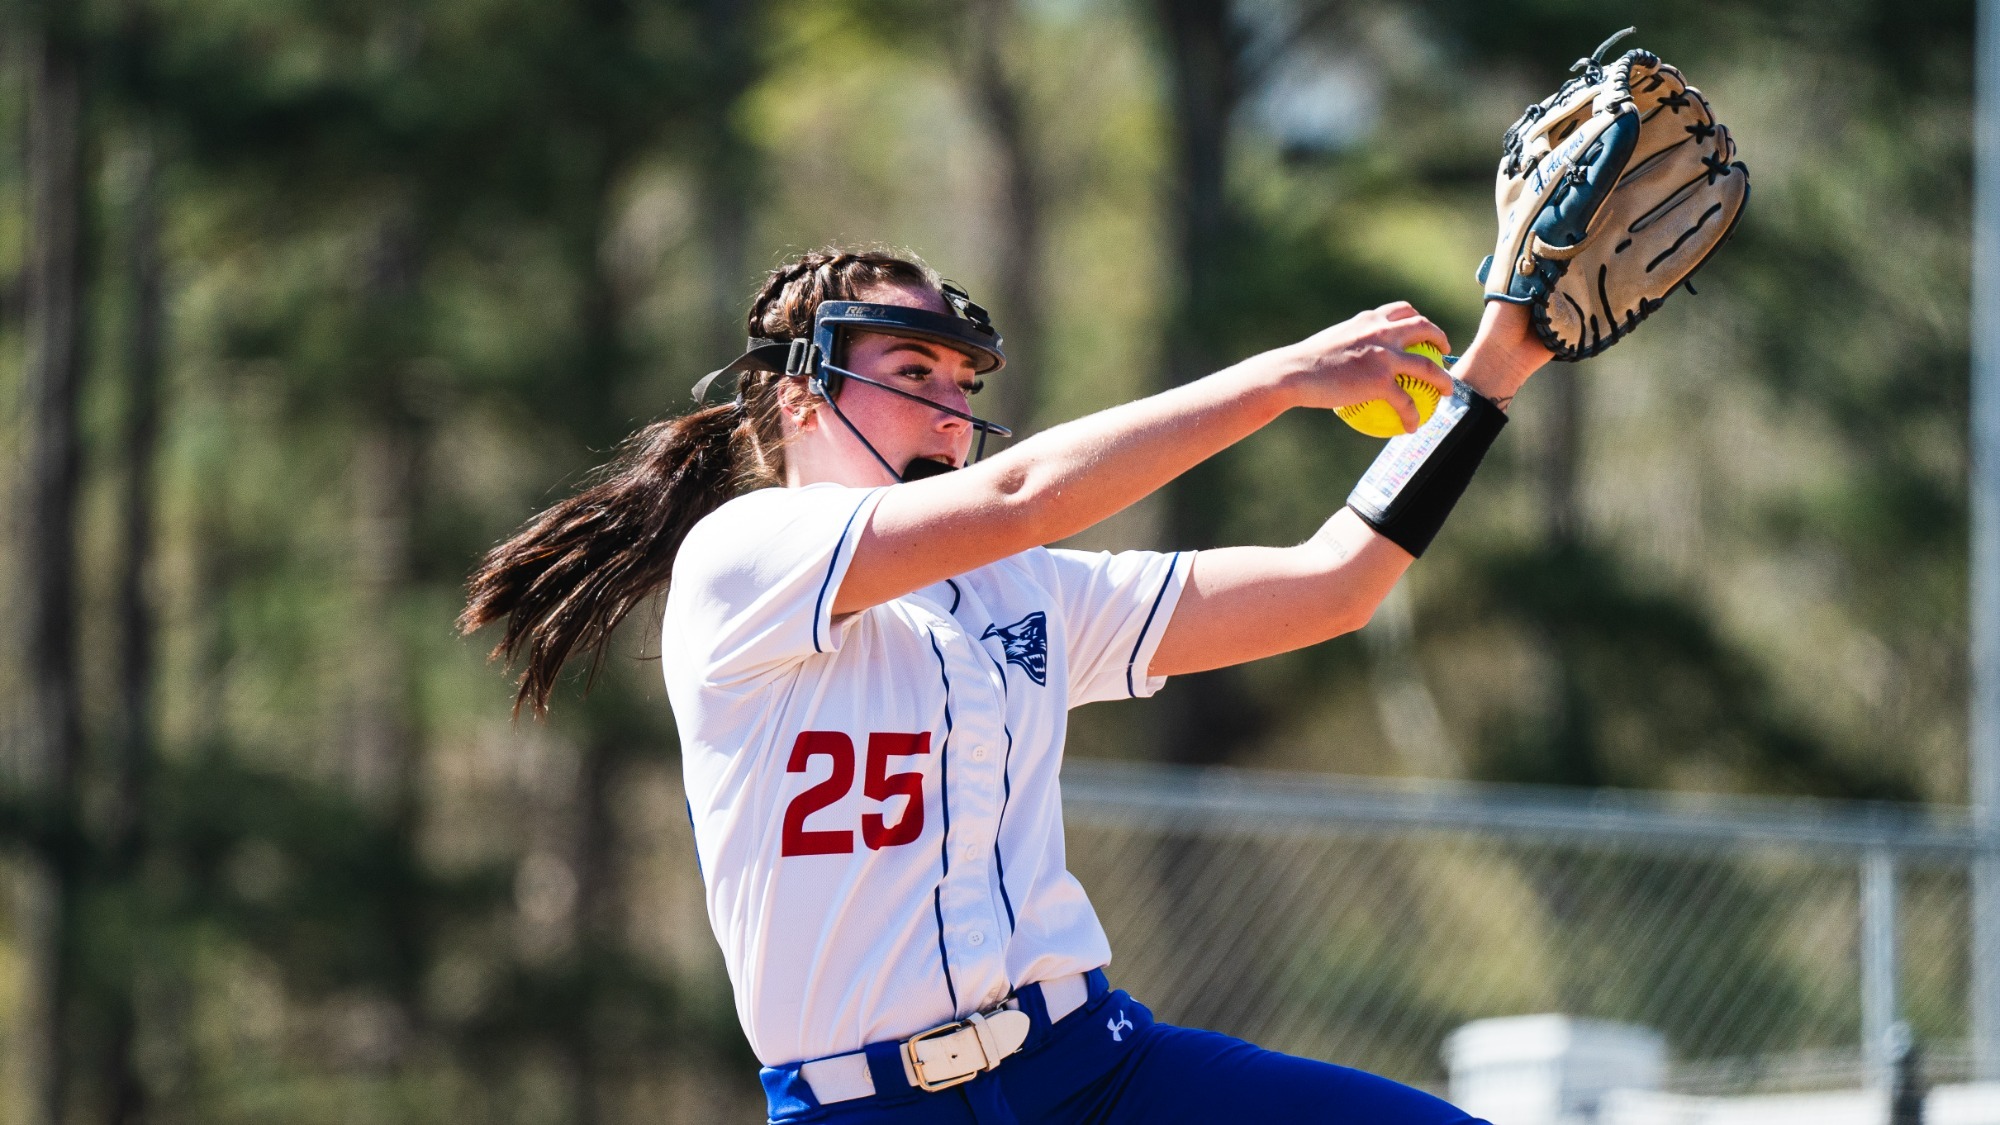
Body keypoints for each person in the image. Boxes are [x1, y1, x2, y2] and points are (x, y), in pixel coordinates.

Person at [461, 247, 1551, 1123]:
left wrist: (1494, 363)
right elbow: (1023, 493)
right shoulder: (743, 555)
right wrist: (1282, 377)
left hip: (1095, 1072)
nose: (948, 408)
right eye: (911, 372)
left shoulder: (1016, 591)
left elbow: (1330, 585)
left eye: (961, 383)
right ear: (797, 396)